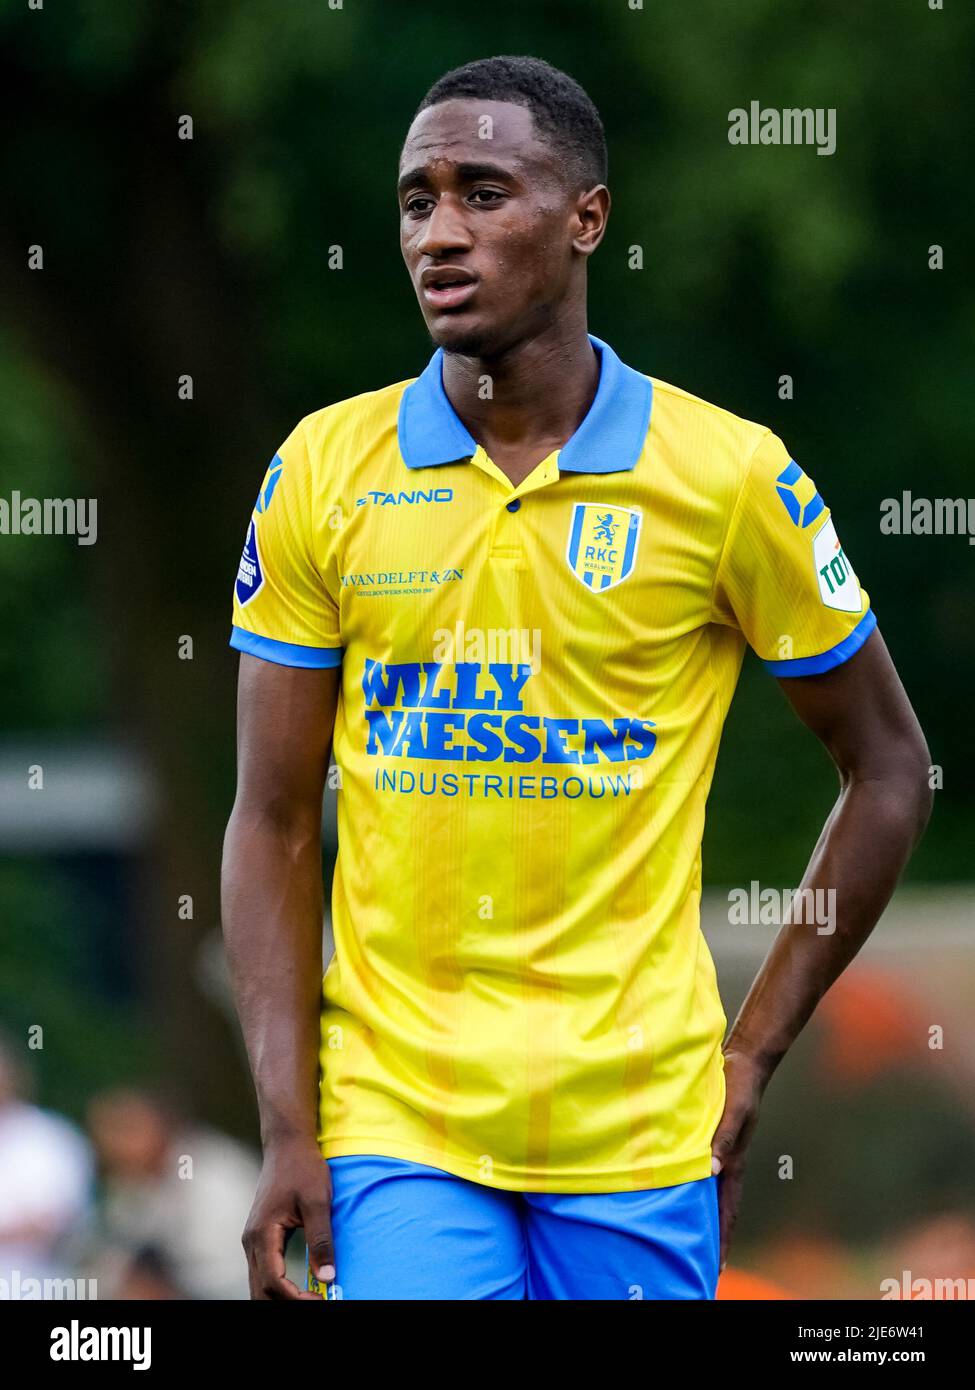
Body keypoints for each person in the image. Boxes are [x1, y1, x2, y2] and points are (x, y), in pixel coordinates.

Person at [221, 55, 932, 1300]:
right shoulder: (323, 472)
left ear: (586, 219)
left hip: (643, 1125)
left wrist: (753, 1050)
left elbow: (887, 770)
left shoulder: (728, 478)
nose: (439, 233)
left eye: (484, 193)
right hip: (402, 1124)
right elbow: (273, 817)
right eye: (416, 200)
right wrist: (291, 1121)